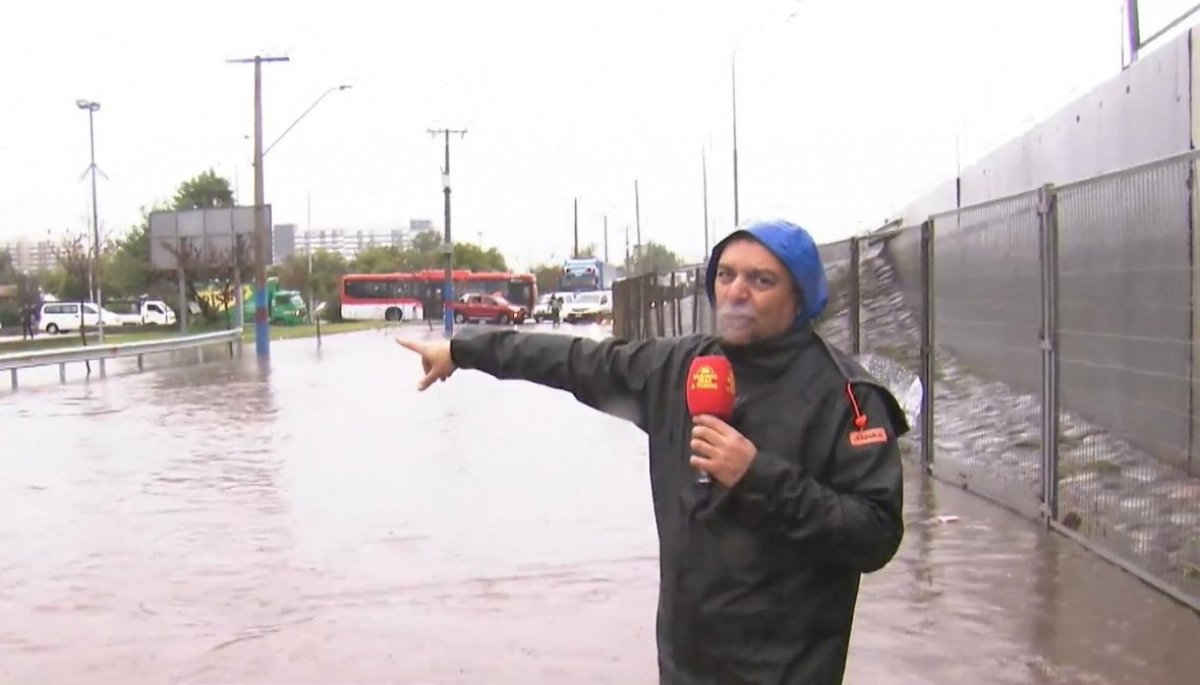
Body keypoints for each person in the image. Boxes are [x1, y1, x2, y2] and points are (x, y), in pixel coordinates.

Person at [397, 219, 908, 684]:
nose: (737, 292)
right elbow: (576, 360)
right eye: (726, 275)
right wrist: (465, 351)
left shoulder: (850, 399)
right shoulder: (678, 368)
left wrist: (757, 476)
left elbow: (875, 535)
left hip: (790, 671)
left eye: (761, 280)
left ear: (800, 297)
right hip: (686, 668)